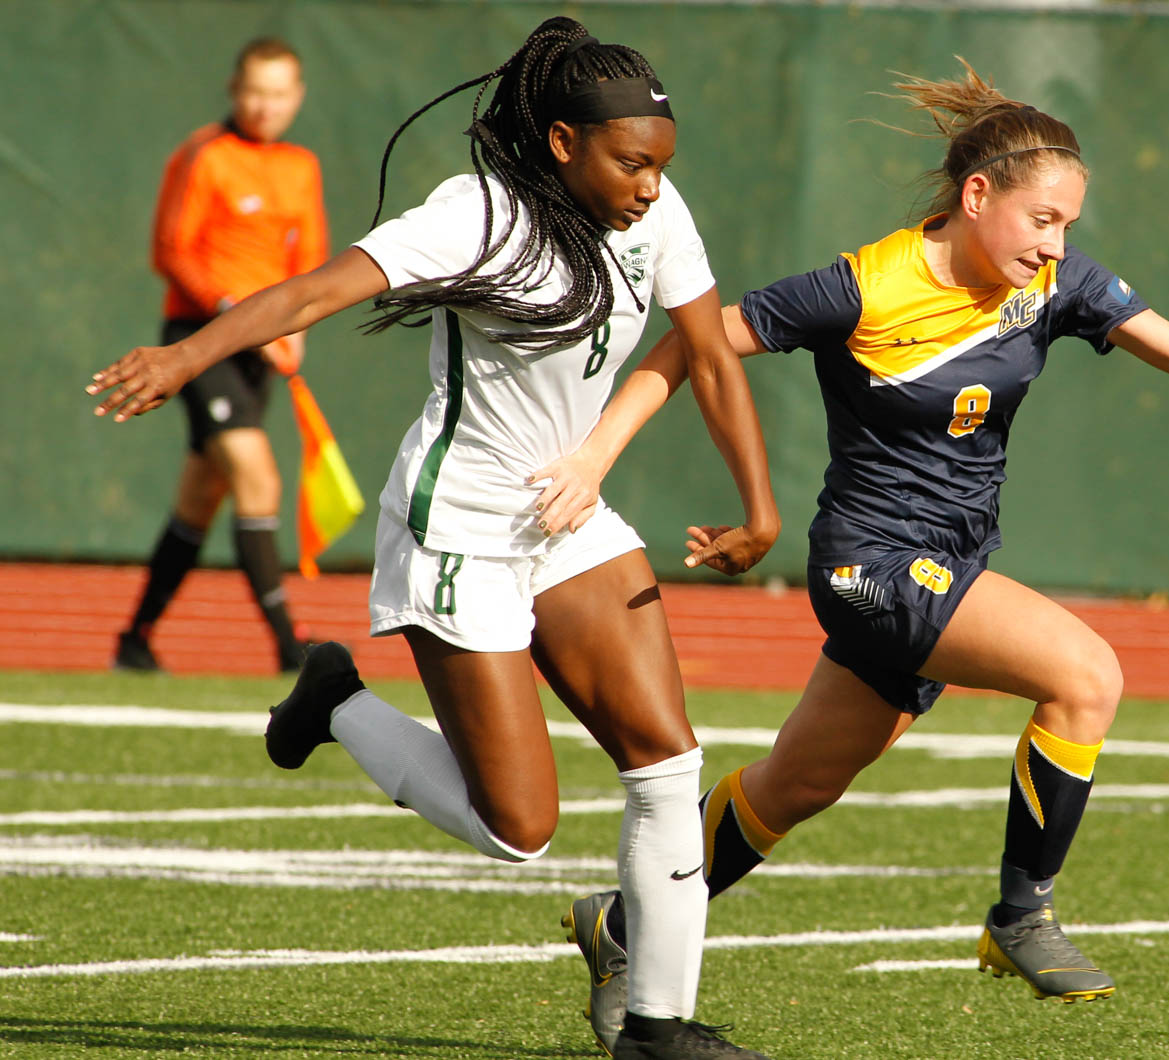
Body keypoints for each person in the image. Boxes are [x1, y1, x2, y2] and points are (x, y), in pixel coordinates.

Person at [579, 59, 1169, 1009]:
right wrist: (594, 456)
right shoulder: (864, 287)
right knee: (1086, 675)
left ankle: (621, 921)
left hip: (950, 561)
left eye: (1067, 223)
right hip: (872, 563)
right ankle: (1021, 914)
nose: (1057, 242)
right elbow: (691, 344)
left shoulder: (1056, 284)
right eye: (1042, 219)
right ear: (977, 195)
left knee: (796, 785)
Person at [89, 17, 781, 1060]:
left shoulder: (656, 209)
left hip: (568, 512)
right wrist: (187, 356)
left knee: (667, 764)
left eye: (659, 165)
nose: (649, 185)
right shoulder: (480, 216)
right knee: (520, 827)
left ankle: (656, 1026)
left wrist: (760, 507)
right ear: (561, 143)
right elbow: (321, 287)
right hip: (459, 523)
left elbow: (709, 355)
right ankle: (336, 698)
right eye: (630, 162)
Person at [116, 37, 329, 674]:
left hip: (263, 354)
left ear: (297, 98)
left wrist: (295, 332)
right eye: (255, 91)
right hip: (202, 342)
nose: (266, 105)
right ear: (235, 91)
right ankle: (289, 648)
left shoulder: (301, 166)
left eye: (279, 93)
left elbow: (310, 263)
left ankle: (134, 640)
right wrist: (236, 307)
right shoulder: (205, 155)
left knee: (200, 498)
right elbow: (171, 251)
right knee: (258, 478)